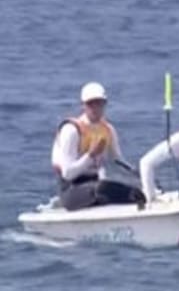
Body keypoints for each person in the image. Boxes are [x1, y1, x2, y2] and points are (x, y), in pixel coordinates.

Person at [50, 82, 145, 211]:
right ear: (83, 106)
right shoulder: (72, 130)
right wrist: (90, 155)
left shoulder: (108, 129)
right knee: (102, 189)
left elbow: (117, 160)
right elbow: (67, 174)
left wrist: (139, 174)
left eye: (99, 103)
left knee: (135, 192)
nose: (95, 108)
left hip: (94, 183)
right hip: (71, 189)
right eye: (90, 104)